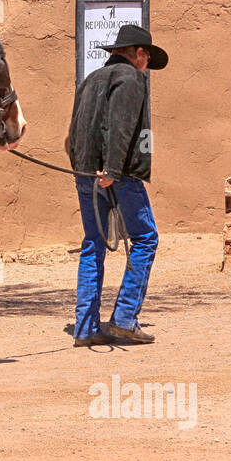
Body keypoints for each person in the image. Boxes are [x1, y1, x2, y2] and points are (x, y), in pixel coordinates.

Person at [66, 24, 168, 347]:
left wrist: (84, 170)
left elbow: (72, 135)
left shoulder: (89, 82)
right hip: (118, 175)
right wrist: (111, 168)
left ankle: (85, 327)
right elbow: (121, 125)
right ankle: (124, 318)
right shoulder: (131, 79)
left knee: (93, 243)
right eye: (147, 56)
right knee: (146, 238)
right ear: (137, 53)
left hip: (85, 174)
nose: (147, 64)